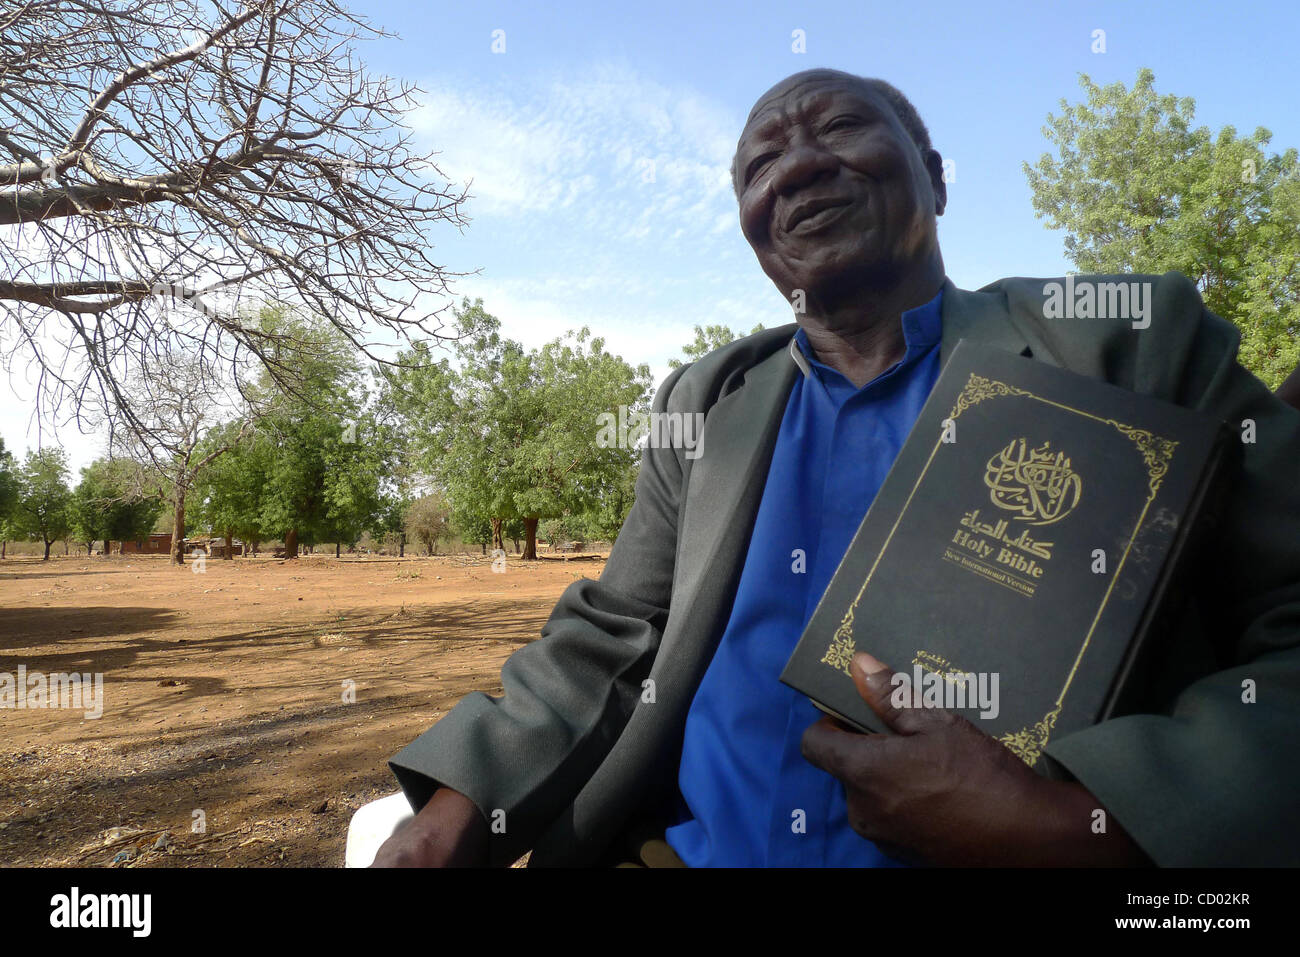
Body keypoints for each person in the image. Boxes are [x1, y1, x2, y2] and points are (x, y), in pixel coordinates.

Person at [373, 69, 1300, 867]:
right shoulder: (703, 403)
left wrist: (1084, 823)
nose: (801, 166)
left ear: (935, 180)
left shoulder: (1124, 346)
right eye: (760, 163)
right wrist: (460, 801)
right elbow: (615, 635)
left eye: (842, 128)